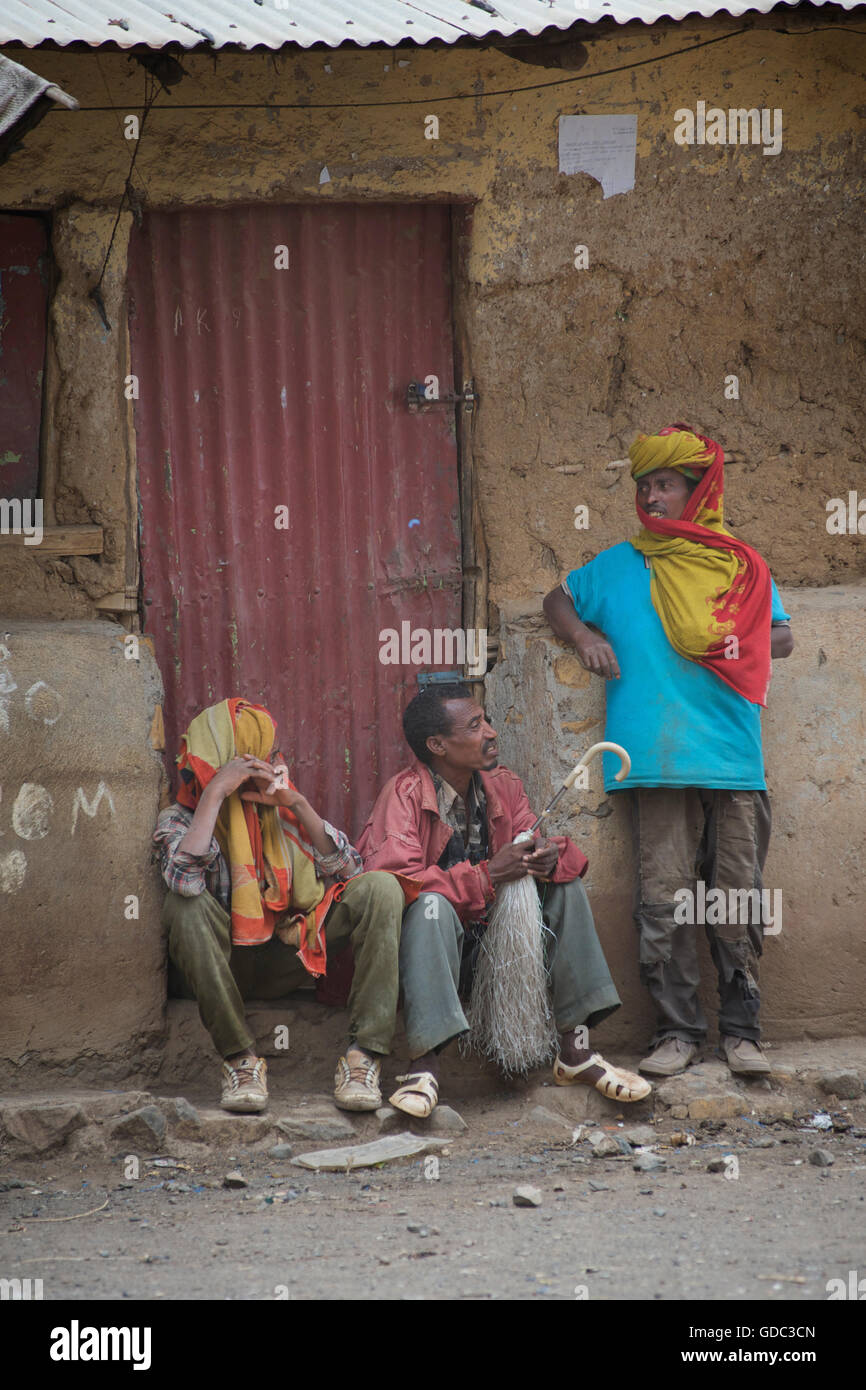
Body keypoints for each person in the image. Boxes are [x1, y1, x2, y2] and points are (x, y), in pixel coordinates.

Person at [543, 424, 794, 1079]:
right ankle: (676, 1032)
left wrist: (729, 643)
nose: (651, 496)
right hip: (651, 761)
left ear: (698, 489)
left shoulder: (741, 564)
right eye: (645, 485)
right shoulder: (621, 564)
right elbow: (558, 598)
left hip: (732, 759)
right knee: (664, 899)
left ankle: (742, 1033)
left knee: (736, 898)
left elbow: (783, 636)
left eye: (664, 484)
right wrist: (582, 638)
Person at [357, 682, 651, 1117]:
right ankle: (425, 1066)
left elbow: (538, 840)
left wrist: (548, 855)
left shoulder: (503, 786)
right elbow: (400, 886)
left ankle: (575, 1051)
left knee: (563, 883)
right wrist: (487, 875)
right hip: (432, 957)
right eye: (475, 725)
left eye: (487, 720)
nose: (491, 733)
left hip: (501, 953)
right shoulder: (402, 797)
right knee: (431, 906)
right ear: (437, 745)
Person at [153, 697, 407, 1114]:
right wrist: (216, 792)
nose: (257, 769)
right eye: (241, 762)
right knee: (185, 908)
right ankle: (241, 1060)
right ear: (209, 763)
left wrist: (297, 805)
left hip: (285, 960)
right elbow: (183, 882)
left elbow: (349, 872)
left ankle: (364, 1057)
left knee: (381, 888)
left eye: (265, 756)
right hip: (221, 969)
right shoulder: (178, 820)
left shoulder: (279, 814)